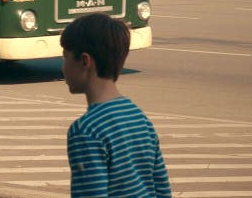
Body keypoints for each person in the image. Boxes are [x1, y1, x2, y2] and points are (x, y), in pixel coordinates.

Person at [61, 13, 171, 198]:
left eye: (65, 58)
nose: (63, 68)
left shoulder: (86, 131)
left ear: (85, 61)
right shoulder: (139, 118)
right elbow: (162, 190)